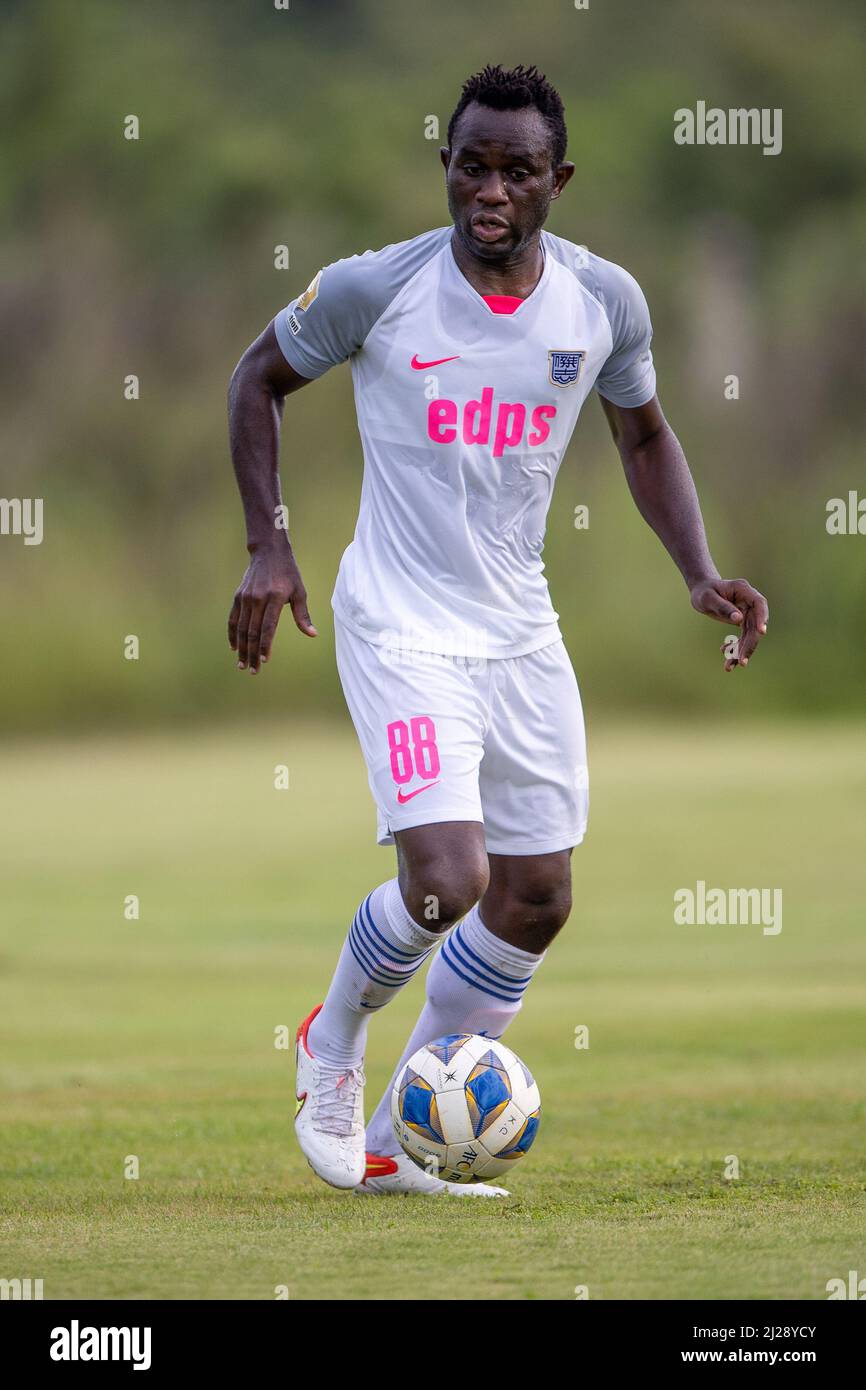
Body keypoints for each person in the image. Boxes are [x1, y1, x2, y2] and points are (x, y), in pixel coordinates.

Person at [227, 64, 768, 1197]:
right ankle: (327, 1040)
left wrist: (699, 570)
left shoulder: (601, 302)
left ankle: (390, 1141)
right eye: (470, 164)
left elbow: (643, 437)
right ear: (446, 167)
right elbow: (256, 379)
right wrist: (268, 544)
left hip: (518, 629)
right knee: (447, 878)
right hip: (400, 621)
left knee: (540, 894)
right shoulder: (376, 289)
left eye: (515, 170)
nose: (489, 188)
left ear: (554, 181)